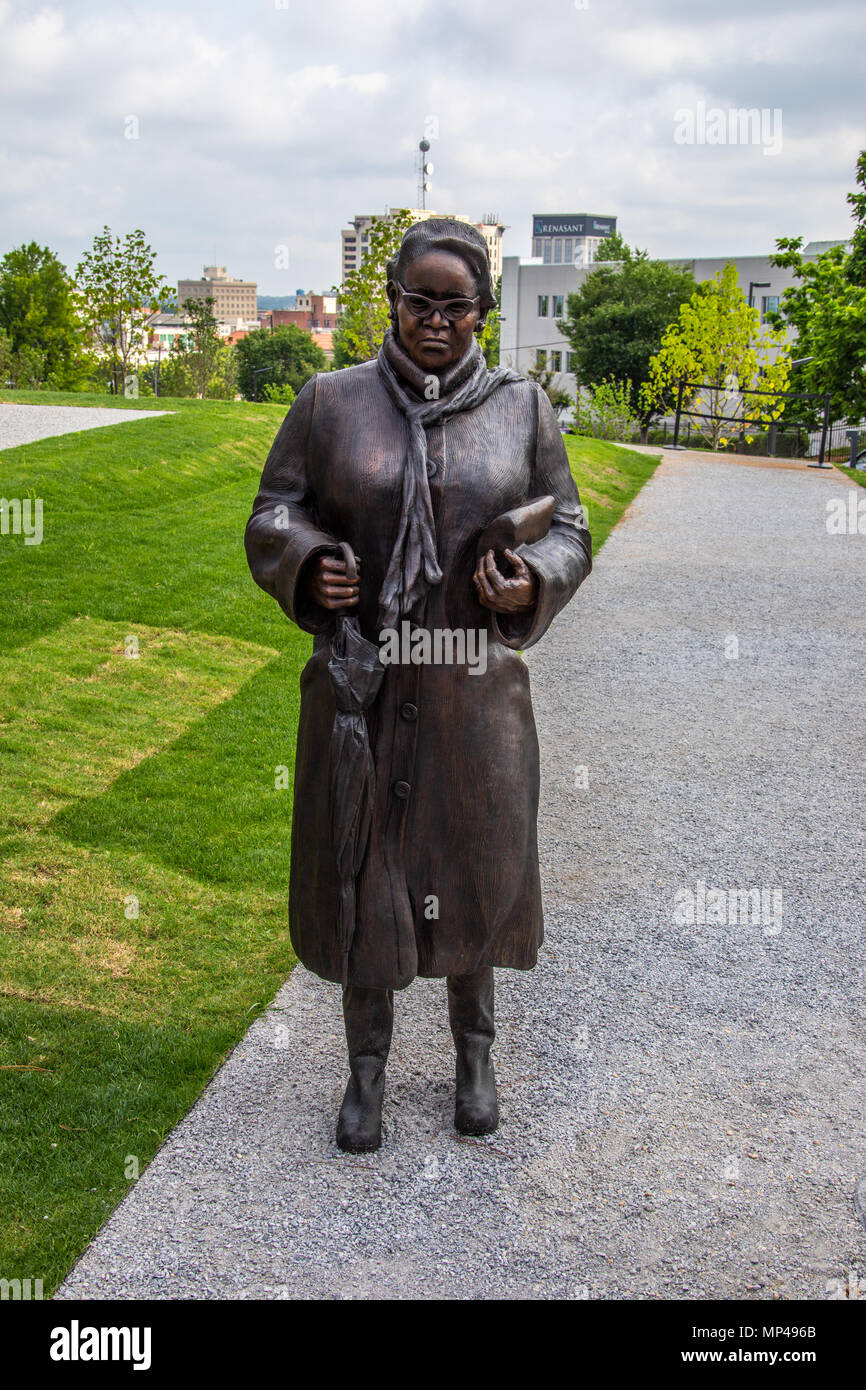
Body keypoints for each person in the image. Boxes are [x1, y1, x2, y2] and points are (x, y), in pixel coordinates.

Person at [244, 218, 591, 1153]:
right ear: (390, 300)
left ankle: (475, 1052)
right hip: (364, 686)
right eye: (418, 301)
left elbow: (570, 529)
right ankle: (366, 1072)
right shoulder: (331, 402)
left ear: (482, 312)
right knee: (366, 869)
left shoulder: (522, 409)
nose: (437, 321)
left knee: (473, 866)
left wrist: (532, 579)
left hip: (473, 693)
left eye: (458, 306)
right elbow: (275, 512)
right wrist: (308, 561)